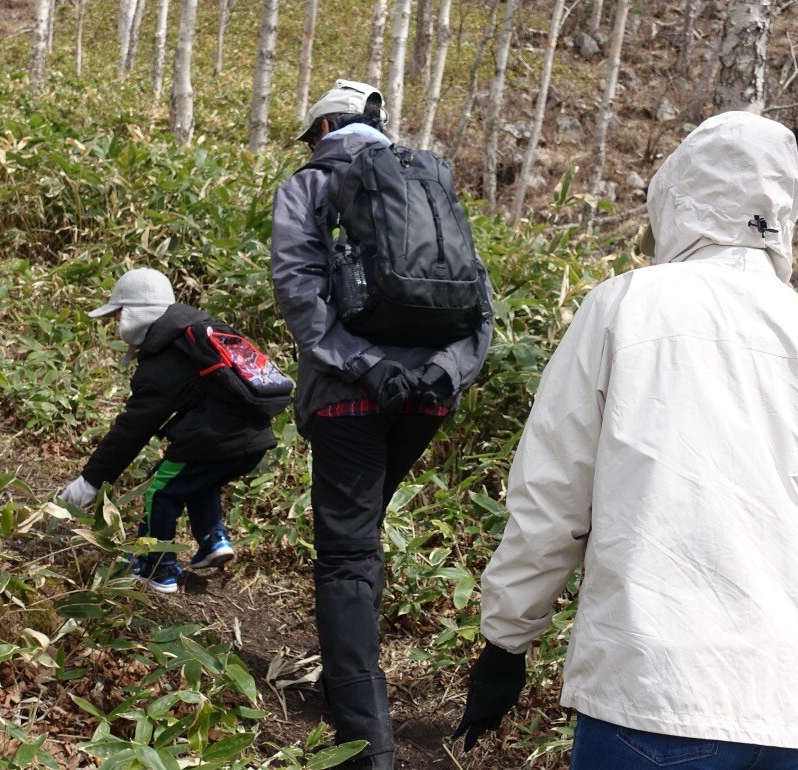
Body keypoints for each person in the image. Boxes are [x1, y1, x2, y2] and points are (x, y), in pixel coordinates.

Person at [453, 111, 798, 769]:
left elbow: (552, 496)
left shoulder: (626, 305)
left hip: (657, 687)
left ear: (677, 198)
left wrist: (506, 643)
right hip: (793, 706)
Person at [271, 80, 493, 770]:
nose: (311, 149)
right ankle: (351, 676)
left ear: (327, 127)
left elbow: (298, 291)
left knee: (345, 552)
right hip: (426, 396)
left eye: (313, 136)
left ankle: (367, 741)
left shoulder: (309, 187)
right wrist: (446, 373)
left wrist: (362, 364)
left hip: (350, 395)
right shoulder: (427, 183)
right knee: (360, 533)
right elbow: (479, 303)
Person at [58, 268, 277, 593]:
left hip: (213, 438)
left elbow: (133, 428)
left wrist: (90, 481)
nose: (115, 323)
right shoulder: (198, 331)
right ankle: (212, 540)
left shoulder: (167, 357)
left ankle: (157, 570)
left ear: (135, 313)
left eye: (118, 314)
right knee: (195, 480)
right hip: (253, 436)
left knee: (159, 492)